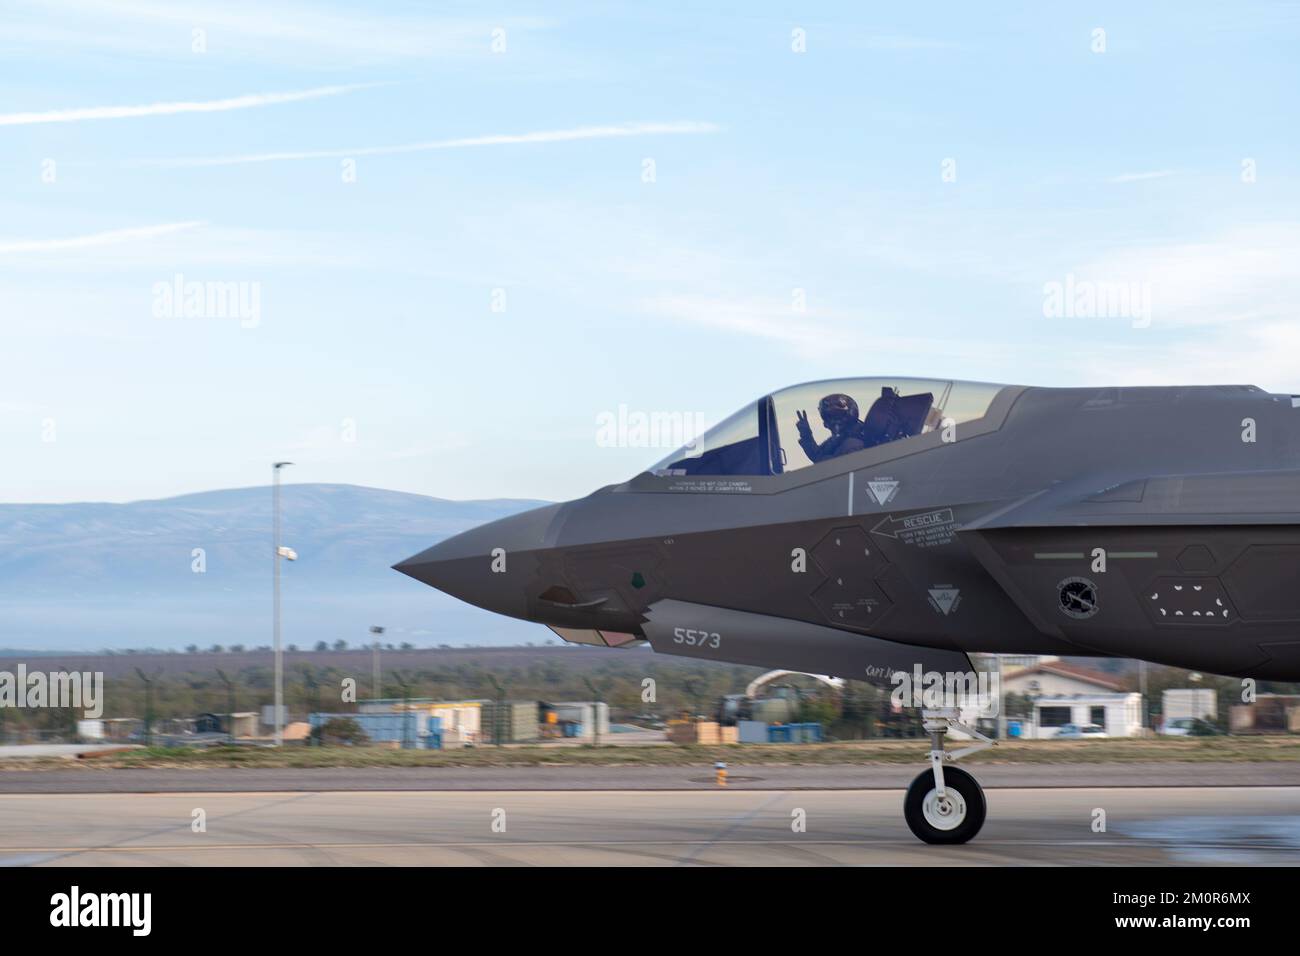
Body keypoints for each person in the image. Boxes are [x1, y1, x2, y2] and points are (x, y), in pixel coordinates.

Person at [795, 392, 865, 464]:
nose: (833, 422)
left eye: (837, 417)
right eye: (828, 417)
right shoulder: (836, 441)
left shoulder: (852, 445)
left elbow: (827, 466)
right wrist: (806, 434)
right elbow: (818, 456)